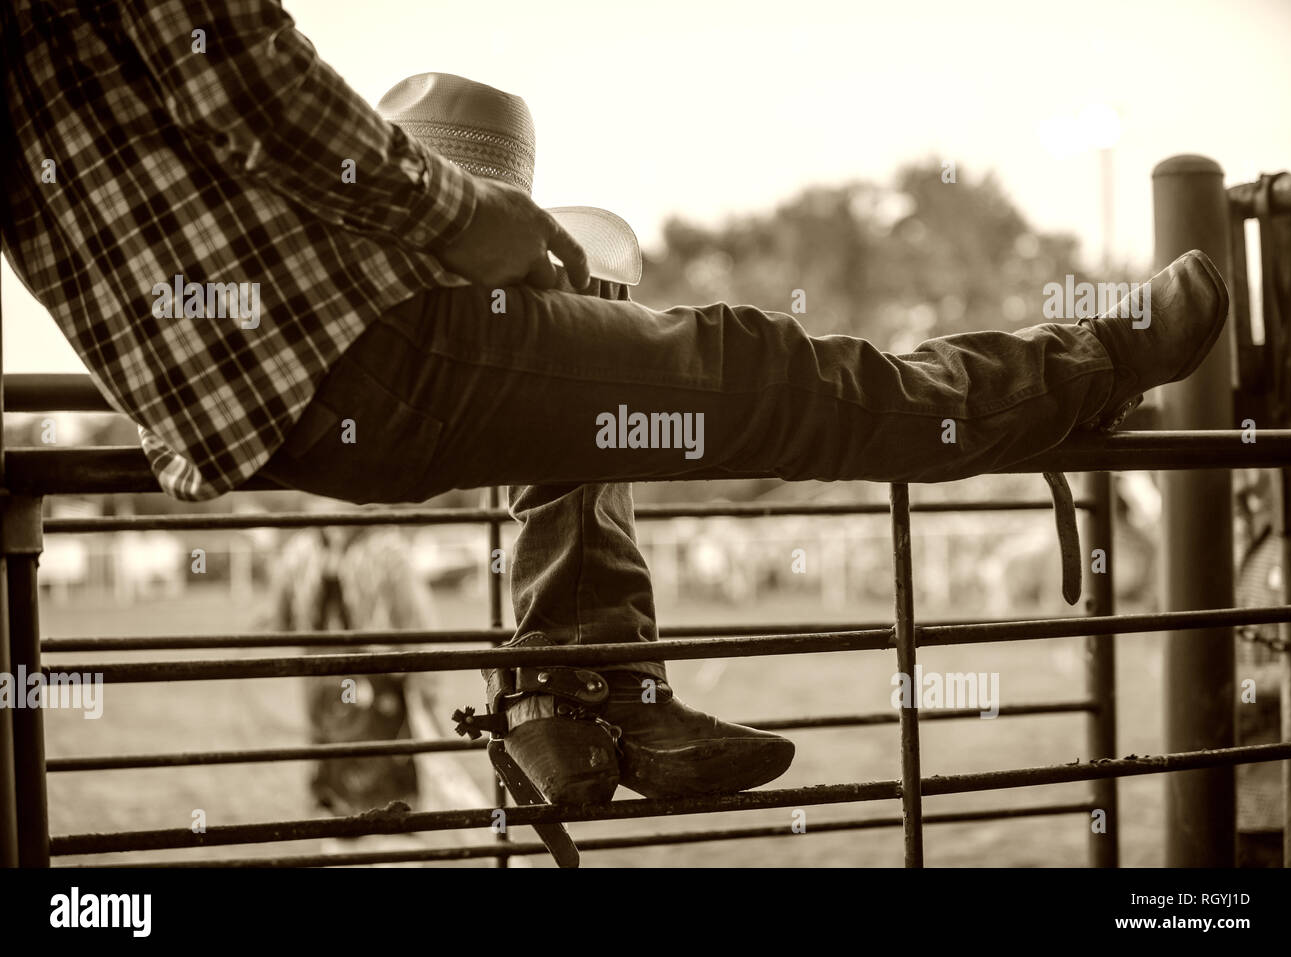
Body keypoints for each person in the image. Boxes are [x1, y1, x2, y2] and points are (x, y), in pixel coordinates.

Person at [1, 1, 1228, 808]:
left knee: (598, 385)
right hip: (351, 342)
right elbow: (248, 79)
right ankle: (1091, 359)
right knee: (765, 370)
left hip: (251, 393)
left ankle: (581, 706)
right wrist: (465, 218)